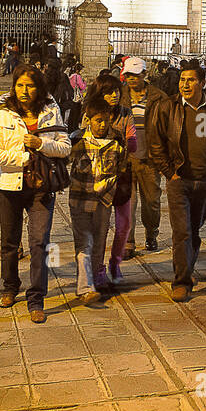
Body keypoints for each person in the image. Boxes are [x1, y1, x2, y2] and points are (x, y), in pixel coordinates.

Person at [0, 66, 72, 323]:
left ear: (39, 88)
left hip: (42, 188)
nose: (25, 91)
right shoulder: (2, 114)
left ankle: (36, 298)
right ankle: (10, 286)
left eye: (30, 86)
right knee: (10, 243)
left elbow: (65, 147)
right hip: (8, 185)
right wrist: (24, 158)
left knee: (40, 243)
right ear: (14, 86)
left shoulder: (50, 111)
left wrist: (42, 144)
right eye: (20, 85)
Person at [147, 64, 206, 302]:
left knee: (194, 230)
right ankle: (182, 282)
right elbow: (156, 142)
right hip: (179, 180)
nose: (184, 84)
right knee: (182, 232)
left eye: (190, 80)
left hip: (205, 182)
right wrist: (169, 172)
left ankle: (187, 268)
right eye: (182, 80)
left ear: (203, 83)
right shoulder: (168, 107)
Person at [69, 97, 128, 304]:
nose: (102, 125)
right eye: (97, 121)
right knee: (84, 242)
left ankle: (93, 279)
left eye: (105, 120)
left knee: (99, 241)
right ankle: (85, 287)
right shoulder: (77, 140)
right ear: (88, 120)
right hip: (80, 199)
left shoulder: (118, 141)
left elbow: (122, 168)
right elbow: (65, 159)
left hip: (104, 201)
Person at [119, 56, 166, 255]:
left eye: (135, 75)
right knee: (128, 203)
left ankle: (151, 232)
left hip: (150, 158)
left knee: (152, 202)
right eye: (128, 75)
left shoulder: (158, 98)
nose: (131, 79)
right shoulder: (119, 96)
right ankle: (128, 242)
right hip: (125, 159)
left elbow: (166, 128)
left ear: (144, 75)